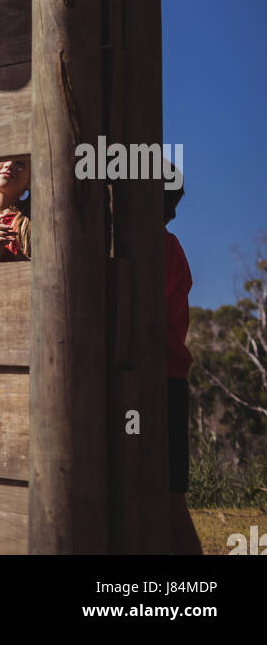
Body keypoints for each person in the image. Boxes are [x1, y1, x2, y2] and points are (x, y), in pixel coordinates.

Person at [164, 174, 203, 555]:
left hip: (162, 382)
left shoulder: (160, 248)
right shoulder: (168, 246)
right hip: (167, 381)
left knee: (170, 499)